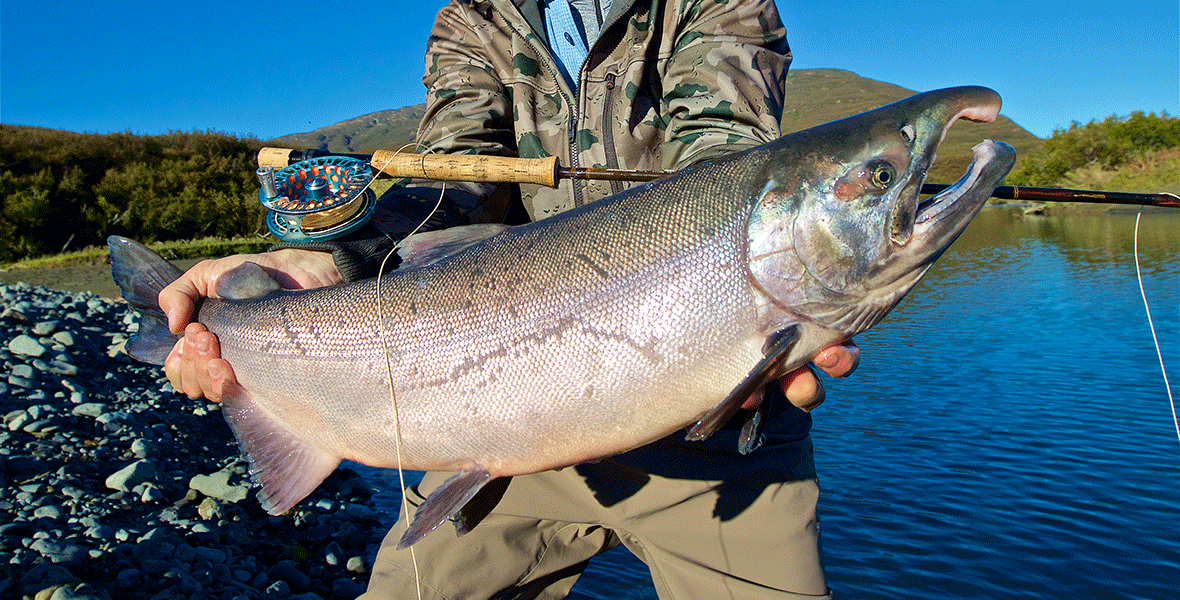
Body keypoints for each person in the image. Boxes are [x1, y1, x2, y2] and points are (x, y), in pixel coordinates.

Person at [162, 0, 860, 597]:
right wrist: (333, 260)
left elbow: (727, 165)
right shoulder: (474, 16)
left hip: (714, 442)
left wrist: (763, 295)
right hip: (494, 418)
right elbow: (450, 180)